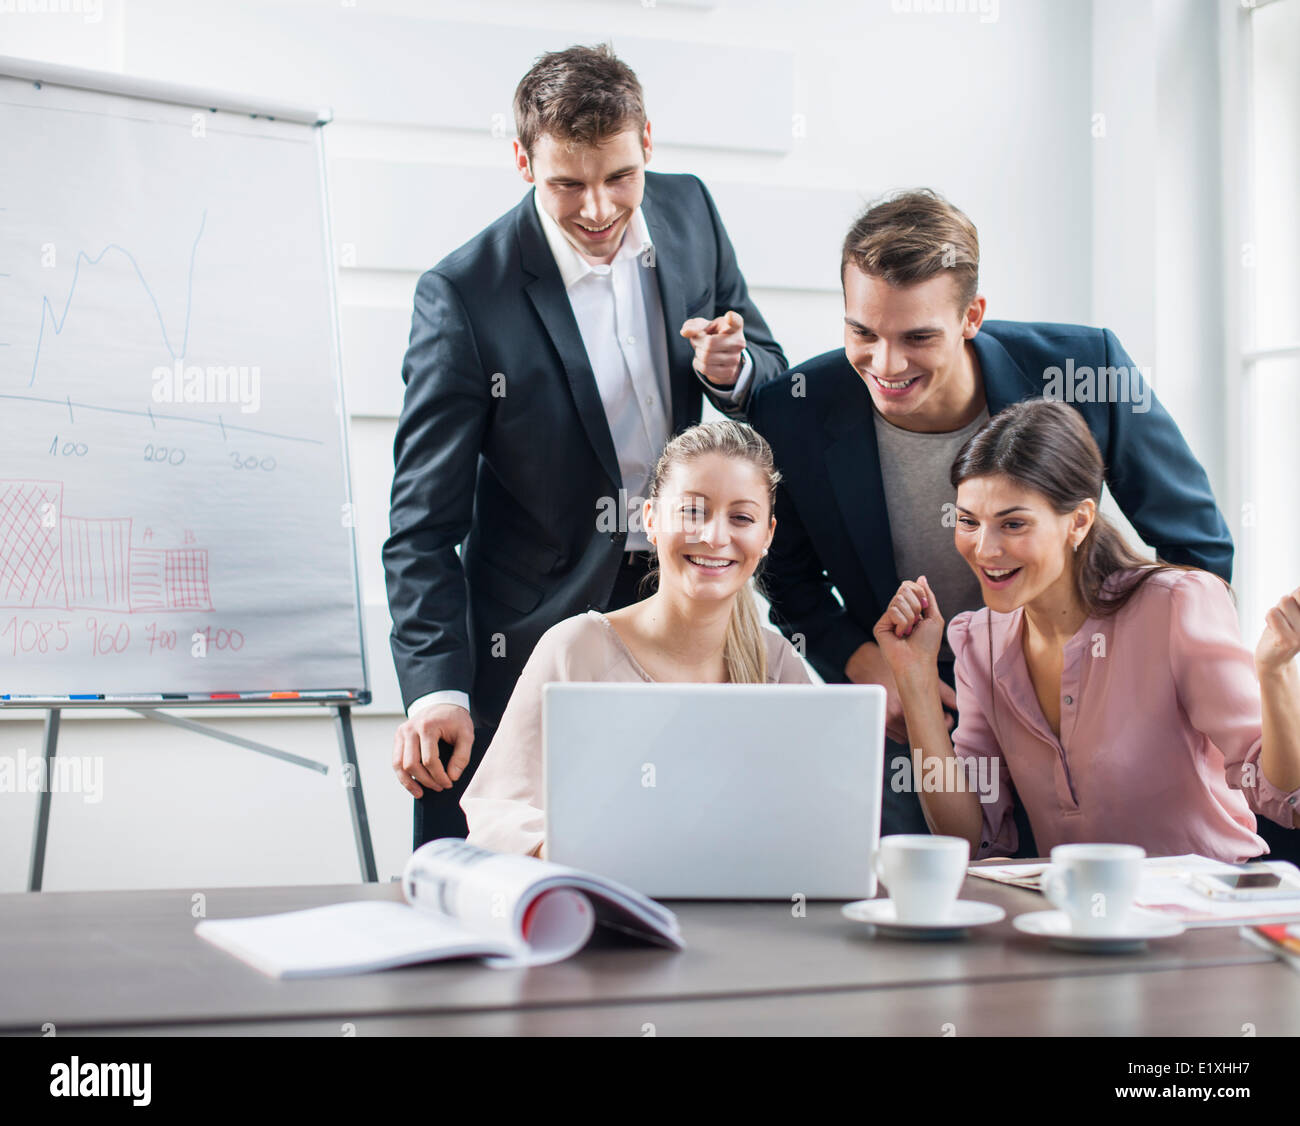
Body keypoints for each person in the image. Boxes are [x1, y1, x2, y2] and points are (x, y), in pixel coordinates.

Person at [383, 45, 787, 848]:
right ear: (522, 159)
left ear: (648, 141)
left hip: (687, 611)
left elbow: (769, 371)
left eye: (620, 178)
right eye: (567, 183)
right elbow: (420, 525)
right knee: (497, 873)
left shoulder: (691, 213)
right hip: (530, 631)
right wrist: (437, 691)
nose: (599, 209)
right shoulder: (463, 296)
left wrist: (734, 369)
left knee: (691, 854)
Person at [748, 188, 1233, 846]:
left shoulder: (1085, 367)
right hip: (921, 701)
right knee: (940, 900)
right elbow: (786, 577)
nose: (885, 365)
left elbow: (1196, 542)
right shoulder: (792, 411)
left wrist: (1143, 678)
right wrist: (858, 660)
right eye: (862, 333)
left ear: (972, 315)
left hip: (1094, 692)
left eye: (918, 336)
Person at [873, 399, 1300, 863]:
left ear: (1078, 521)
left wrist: (1274, 671)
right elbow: (967, 837)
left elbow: (1280, 793)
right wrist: (914, 677)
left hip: (1205, 913)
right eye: (968, 522)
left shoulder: (1176, 604)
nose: (985, 549)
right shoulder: (978, 640)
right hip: (1081, 921)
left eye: (1013, 524)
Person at [461, 421, 812, 856]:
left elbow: (816, 817)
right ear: (650, 520)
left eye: (741, 517)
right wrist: (585, 854)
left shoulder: (776, 665)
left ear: (767, 536)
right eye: (692, 511)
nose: (715, 536)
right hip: (606, 908)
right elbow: (498, 812)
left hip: (744, 914)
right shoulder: (577, 649)